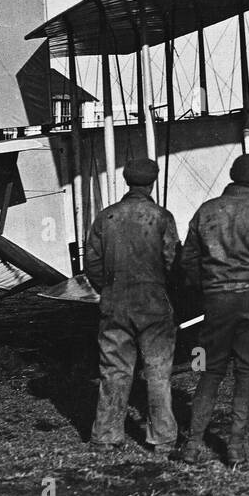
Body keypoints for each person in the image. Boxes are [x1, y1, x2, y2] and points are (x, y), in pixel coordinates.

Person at [180, 154, 249, 467]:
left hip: (217, 303)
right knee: (246, 373)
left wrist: (209, 287)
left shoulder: (206, 211)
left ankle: (192, 445)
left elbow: (188, 261)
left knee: (209, 371)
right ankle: (236, 448)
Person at [84, 158, 181, 454]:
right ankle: (162, 437)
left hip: (115, 300)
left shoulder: (106, 217)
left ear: (127, 181)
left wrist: (109, 288)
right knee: (158, 371)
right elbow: (173, 261)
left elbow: (92, 262)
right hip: (153, 301)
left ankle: (106, 434)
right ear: (152, 182)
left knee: (114, 369)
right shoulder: (161, 217)